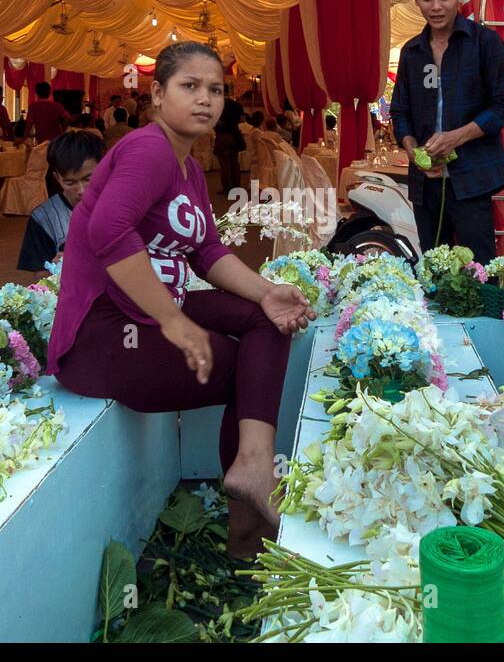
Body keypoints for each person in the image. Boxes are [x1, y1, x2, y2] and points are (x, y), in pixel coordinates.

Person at [47, 41, 315, 556]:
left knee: (267, 320)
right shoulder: (147, 150)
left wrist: (267, 291)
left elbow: (207, 251)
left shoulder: (188, 168)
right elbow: (108, 230)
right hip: (105, 333)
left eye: (215, 90)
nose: (205, 99)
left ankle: (253, 466)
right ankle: (249, 526)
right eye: (189, 86)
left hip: (152, 310)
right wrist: (174, 321)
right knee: (244, 370)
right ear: (156, 94)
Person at [390, 0, 504, 262]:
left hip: (472, 176)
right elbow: (400, 111)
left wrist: (455, 138)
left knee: (479, 267)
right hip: (425, 183)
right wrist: (412, 149)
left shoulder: (484, 43)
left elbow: (501, 106)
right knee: (434, 266)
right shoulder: (412, 52)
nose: (435, 7)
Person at [16, 131, 104, 272]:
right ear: (57, 178)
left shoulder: (121, 206)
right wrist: (55, 270)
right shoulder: (43, 218)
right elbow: (39, 275)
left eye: (88, 179)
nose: (81, 190)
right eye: (70, 182)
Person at [213, 91, 246, 195]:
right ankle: (237, 186)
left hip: (222, 136)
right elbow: (242, 119)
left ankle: (227, 188)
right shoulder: (237, 105)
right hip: (234, 136)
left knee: (224, 164)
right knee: (234, 163)